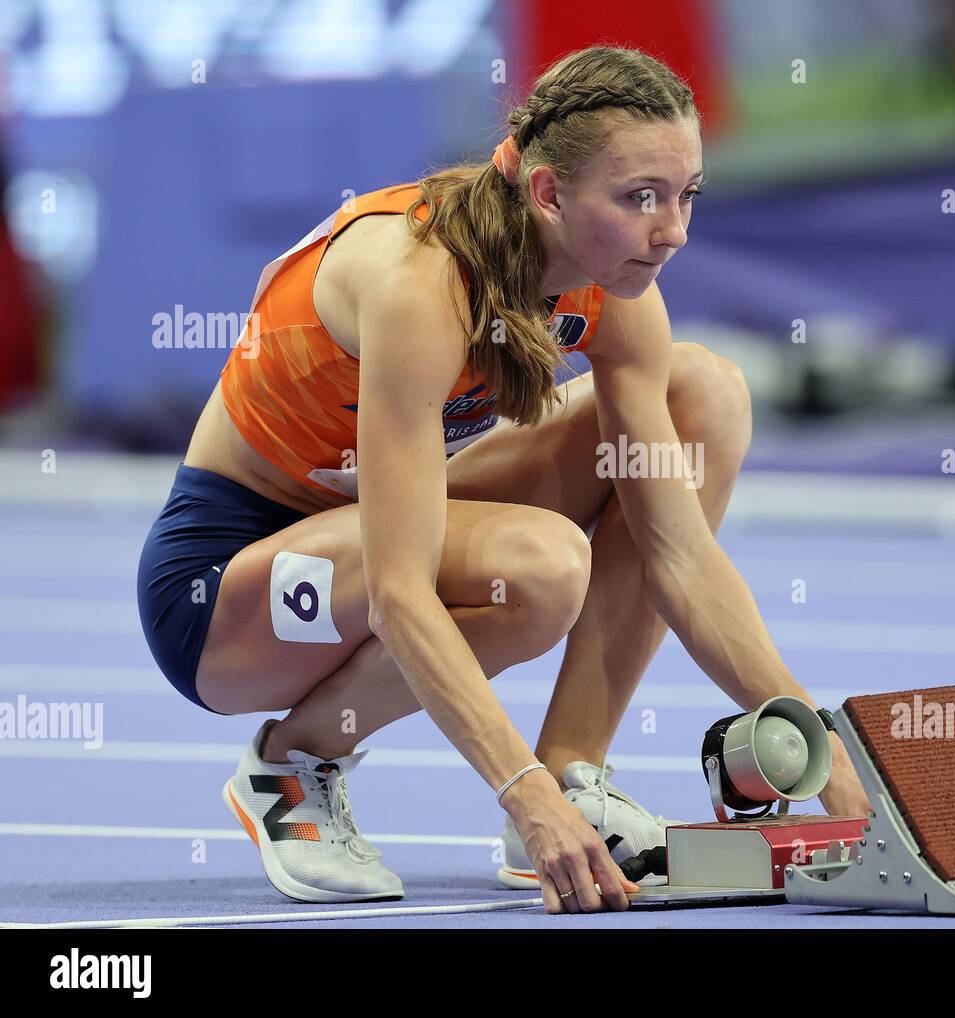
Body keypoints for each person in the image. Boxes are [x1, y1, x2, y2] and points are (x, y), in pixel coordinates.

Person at [136, 45, 871, 916]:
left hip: (372, 521)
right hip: (226, 589)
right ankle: (293, 764)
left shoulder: (616, 288)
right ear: (549, 192)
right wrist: (518, 787)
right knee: (542, 566)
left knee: (702, 391)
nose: (672, 231)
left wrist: (824, 751)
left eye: (686, 195)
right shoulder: (421, 284)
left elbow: (678, 553)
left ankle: (576, 773)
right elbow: (401, 593)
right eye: (639, 198)